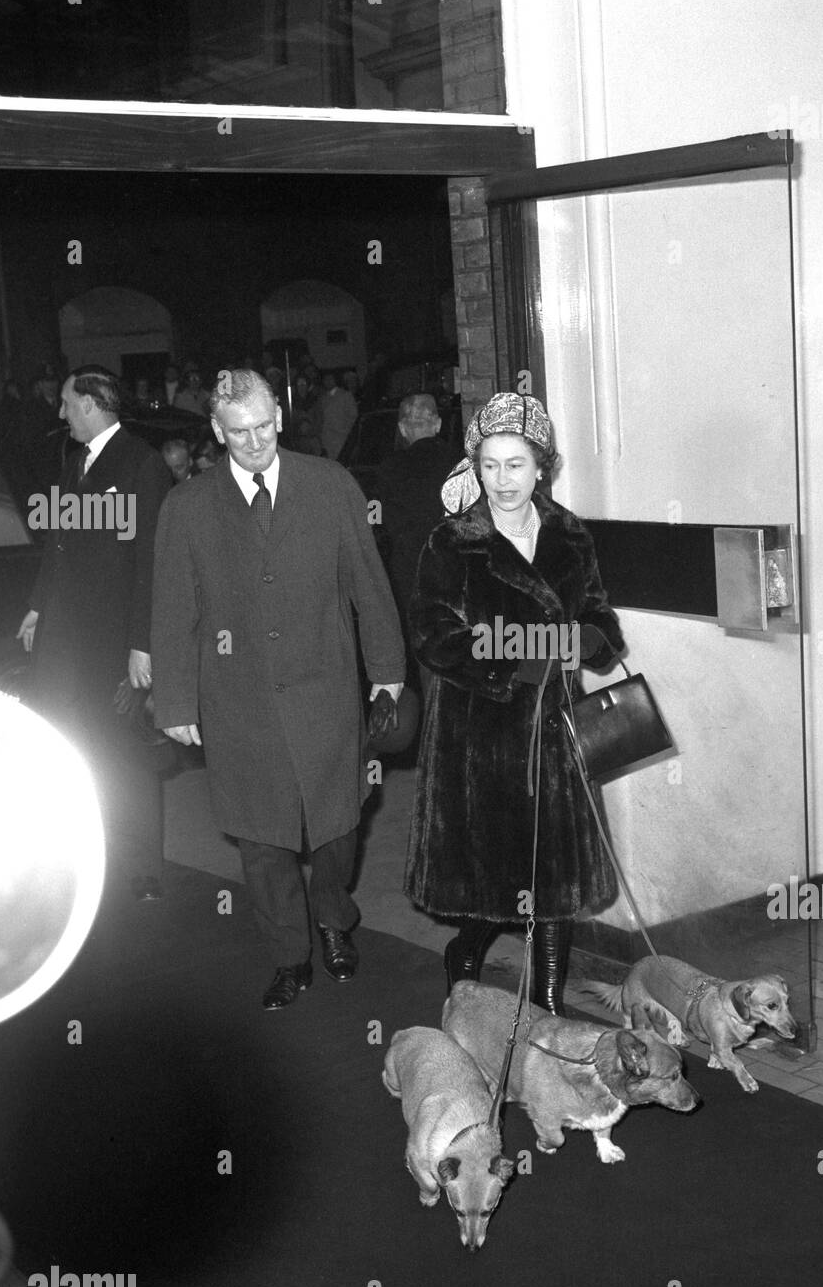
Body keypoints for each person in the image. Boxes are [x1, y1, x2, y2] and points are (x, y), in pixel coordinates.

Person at [151, 369, 406, 1011]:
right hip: (238, 701)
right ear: (216, 430)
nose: (256, 441)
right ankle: (290, 956)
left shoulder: (331, 485)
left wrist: (389, 670)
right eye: (239, 433)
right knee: (262, 842)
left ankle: (333, 919)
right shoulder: (186, 507)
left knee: (336, 827)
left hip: (325, 690)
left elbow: (367, 584)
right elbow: (174, 608)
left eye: (265, 426)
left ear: (280, 419)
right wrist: (176, 701)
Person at [404, 392, 625, 1015]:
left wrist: (587, 639)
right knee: (493, 881)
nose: (503, 481)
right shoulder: (453, 541)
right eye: (491, 466)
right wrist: (518, 658)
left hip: (554, 732)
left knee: (553, 884)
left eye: (517, 466)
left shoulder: (569, 535)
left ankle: (548, 1011)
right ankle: (466, 958)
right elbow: (430, 633)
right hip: (478, 736)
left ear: (542, 468)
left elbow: (600, 619)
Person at [17, 365, 173, 904]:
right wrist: (37, 607)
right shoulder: (73, 461)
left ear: (90, 404)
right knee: (68, 743)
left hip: (114, 636)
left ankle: (143, 868)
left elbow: (151, 559)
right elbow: (58, 542)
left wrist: (142, 642)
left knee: (123, 750)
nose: (60, 413)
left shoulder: (142, 463)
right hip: (66, 632)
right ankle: (85, 856)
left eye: (66, 403)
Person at [374, 393, 456, 691]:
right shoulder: (461, 465)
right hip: (458, 577)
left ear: (404, 429)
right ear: (437, 424)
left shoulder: (388, 470)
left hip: (413, 579)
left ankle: (436, 730)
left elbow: (382, 526)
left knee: (429, 665)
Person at [319, 370, 357, 461]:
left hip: (341, 438)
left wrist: (346, 431)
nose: (327, 381)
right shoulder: (322, 398)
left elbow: (353, 416)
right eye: (325, 379)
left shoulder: (346, 395)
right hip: (327, 439)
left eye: (330, 379)